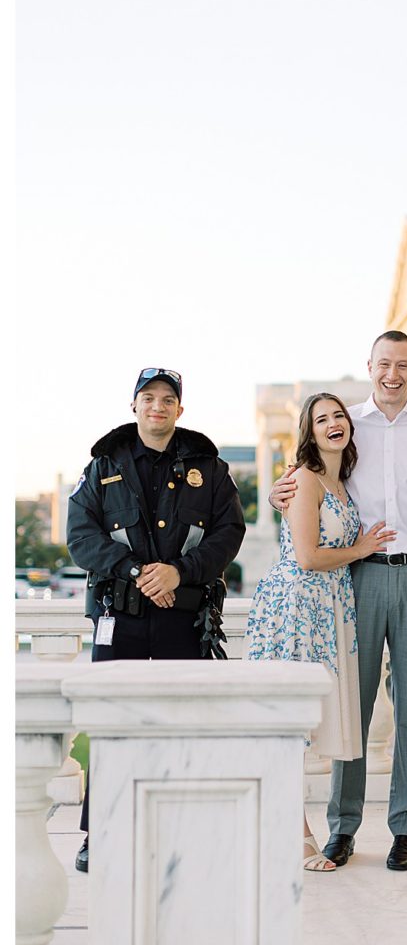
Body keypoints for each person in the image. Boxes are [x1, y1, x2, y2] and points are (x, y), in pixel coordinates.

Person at [269, 331, 407, 872]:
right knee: (350, 707)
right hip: (355, 578)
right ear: (371, 366)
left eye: (403, 365)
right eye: (384, 364)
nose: (392, 374)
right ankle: (343, 827)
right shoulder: (346, 426)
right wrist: (276, 492)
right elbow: (306, 477)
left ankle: (406, 829)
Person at [66, 367, 246, 872]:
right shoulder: (104, 465)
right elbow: (80, 535)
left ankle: (181, 832)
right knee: (108, 725)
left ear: (179, 410)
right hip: (119, 616)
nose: (158, 406)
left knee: (183, 725)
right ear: (135, 406)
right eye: (149, 398)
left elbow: (229, 531)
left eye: (168, 399)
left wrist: (179, 572)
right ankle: (98, 833)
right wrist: (136, 571)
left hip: (183, 618)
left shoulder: (207, 467)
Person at [246, 392, 396, 870]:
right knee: (290, 727)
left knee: (312, 723)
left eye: (339, 416)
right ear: (308, 433)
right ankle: (298, 835)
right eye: (321, 419)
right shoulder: (305, 479)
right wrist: (362, 549)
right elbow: (308, 556)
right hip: (296, 606)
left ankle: (280, 826)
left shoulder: (340, 482)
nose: (333, 423)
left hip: (328, 606)